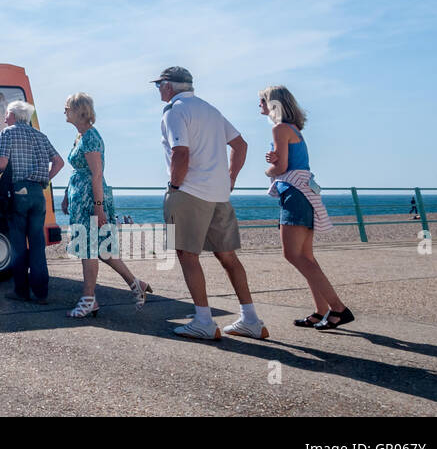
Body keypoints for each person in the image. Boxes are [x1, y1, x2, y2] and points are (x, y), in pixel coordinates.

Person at [153, 67, 268, 340]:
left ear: (168, 86)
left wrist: (174, 185)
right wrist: (230, 179)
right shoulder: (210, 110)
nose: (158, 89)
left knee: (187, 254)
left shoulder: (174, 111)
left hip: (190, 191)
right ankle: (250, 318)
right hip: (219, 194)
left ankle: (204, 320)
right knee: (228, 257)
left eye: (159, 84)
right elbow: (241, 145)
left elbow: (181, 152)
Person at [260, 85, 353, 330]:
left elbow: (281, 169)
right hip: (304, 192)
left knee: (293, 254)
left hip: (294, 193)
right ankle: (322, 310)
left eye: (262, 101)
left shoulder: (279, 128)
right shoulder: (294, 129)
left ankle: (338, 308)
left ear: (273, 105)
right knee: (306, 256)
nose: (259, 106)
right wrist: (276, 162)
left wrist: (268, 169)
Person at [60, 92, 152, 317]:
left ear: (79, 110)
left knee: (89, 249)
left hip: (90, 200)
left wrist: (98, 207)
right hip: (80, 198)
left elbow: (97, 174)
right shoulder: (80, 137)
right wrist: (65, 195)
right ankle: (135, 284)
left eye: (67, 108)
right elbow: (78, 171)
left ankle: (88, 298)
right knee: (102, 249)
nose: (64, 111)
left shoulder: (91, 137)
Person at [0, 99, 64, 303]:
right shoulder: (40, 135)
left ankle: (21, 291)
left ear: (15, 115)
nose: (5, 117)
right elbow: (59, 162)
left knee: (17, 243)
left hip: (18, 191)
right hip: (37, 193)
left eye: (7, 113)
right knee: (37, 244)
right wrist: (44, 179)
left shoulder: (8, 133)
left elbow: (1, 164)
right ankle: (41, 292)